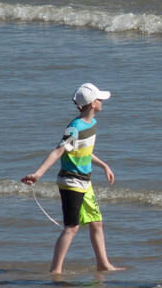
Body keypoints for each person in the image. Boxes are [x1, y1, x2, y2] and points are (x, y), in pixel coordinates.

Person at [21, 83, 119, 274]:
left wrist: (104, 165)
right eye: (99, 99)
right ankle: (55, 270)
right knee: (71, 228)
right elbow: (59, 151)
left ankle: (103, 264)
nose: (101, 102)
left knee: (97, 222)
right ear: (92, 104)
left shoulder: (92, 124)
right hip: (71, 183)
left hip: (85, 182)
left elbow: (85, 150)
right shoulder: (75, 127)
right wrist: (38, 174)